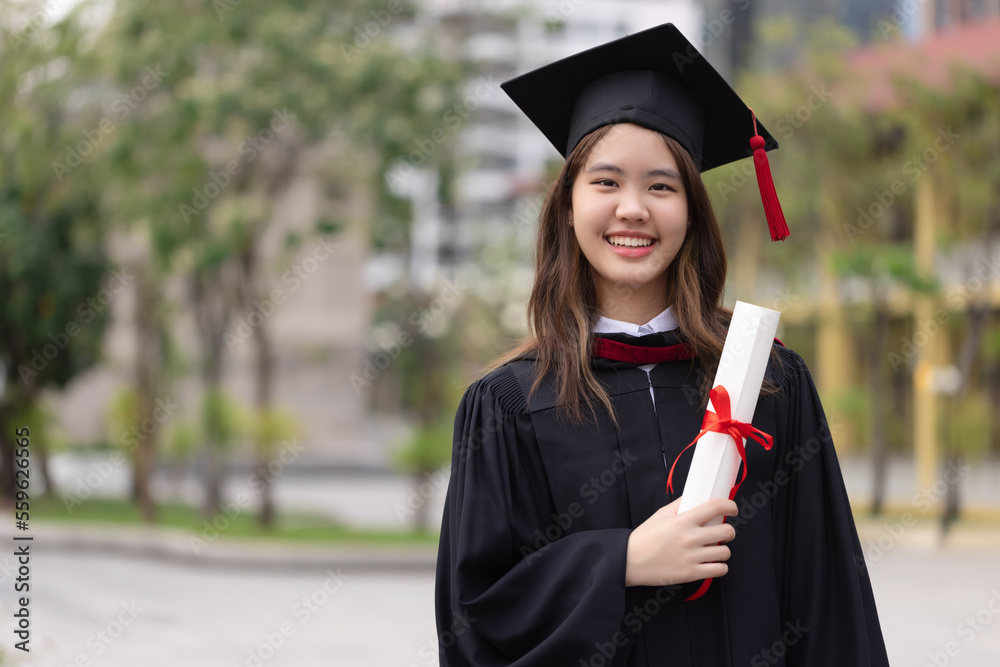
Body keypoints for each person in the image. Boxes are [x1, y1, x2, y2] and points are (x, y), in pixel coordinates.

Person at [435, 23, 889, 666]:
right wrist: (619, 561)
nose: (632, 209)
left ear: (692, 212)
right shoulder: (508, 403)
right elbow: (474, 618)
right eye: (605, 182)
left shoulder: (769, 384)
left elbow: (830, 600)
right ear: (567, 205)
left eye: (661, 186)